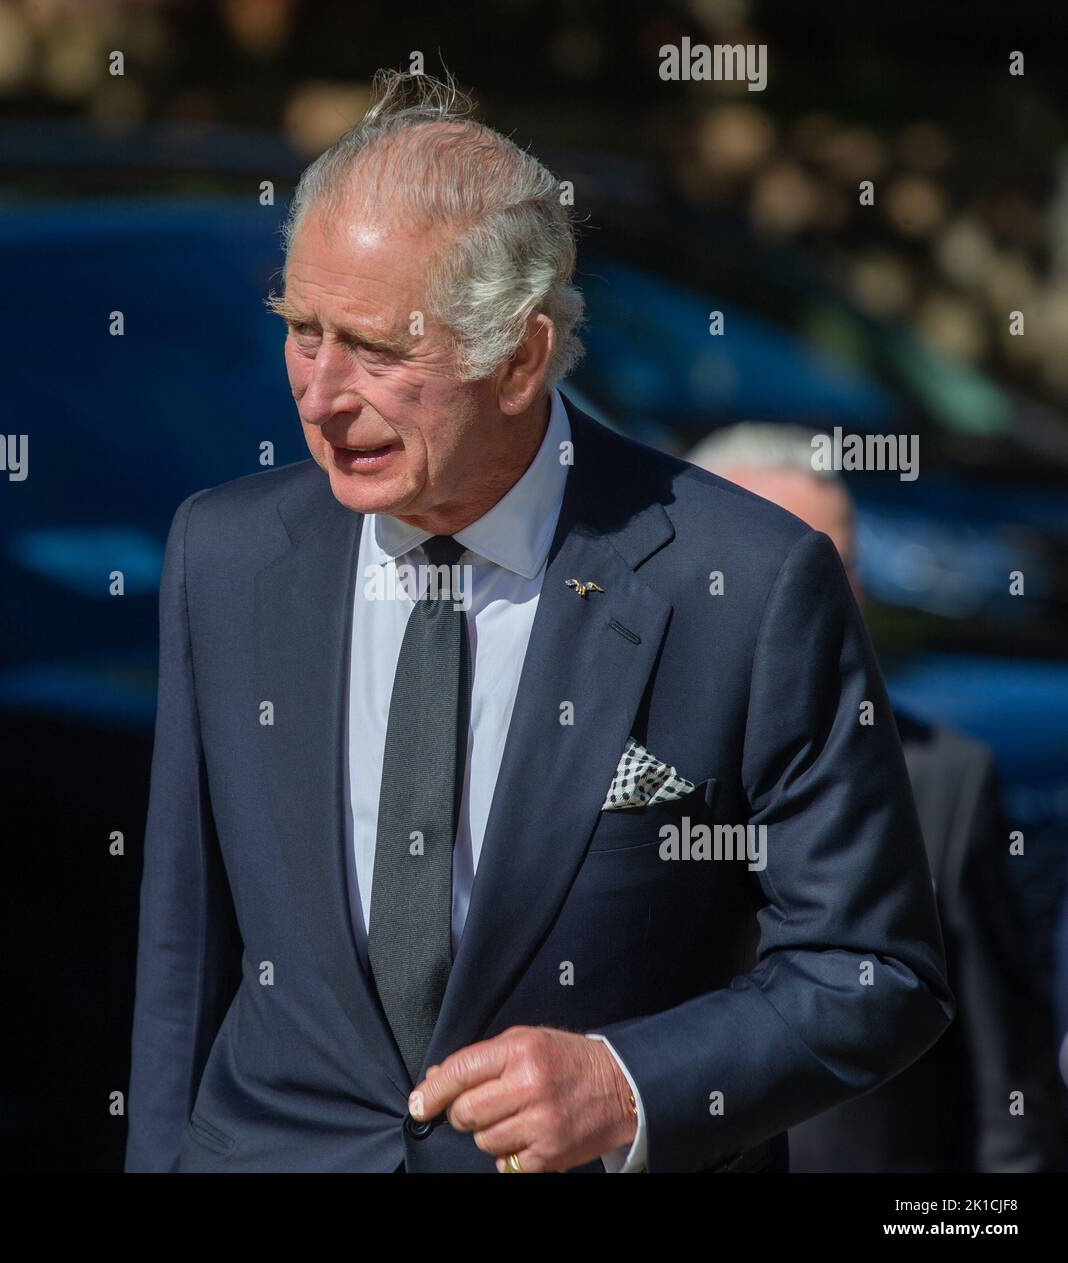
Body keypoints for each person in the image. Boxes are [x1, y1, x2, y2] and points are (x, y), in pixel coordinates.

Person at [124, 70, 953, 1174]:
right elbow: (182, 960)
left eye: (375, 348)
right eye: (302, 330)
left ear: (517, 358)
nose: (320, 395)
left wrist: (625, 1087)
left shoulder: (741, 583)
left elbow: (873, 970)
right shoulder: (222, 557)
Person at [688, 422, 1064, 1171]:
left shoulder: (938, 777)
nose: (830, 596)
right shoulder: (614, 759)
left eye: (845, 566)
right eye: (792, 563)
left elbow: (1006, 1095)